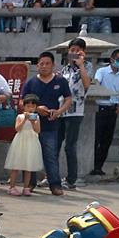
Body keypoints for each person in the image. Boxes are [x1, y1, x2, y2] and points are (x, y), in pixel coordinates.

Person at [20, 51, 71, 196]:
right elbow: (21, 101)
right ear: (37, 65)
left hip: (50, 125)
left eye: (47, 63)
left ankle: (55, 184)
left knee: (50, 155)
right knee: (30, 155)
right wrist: (37, 109)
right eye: (41, 64)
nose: (44, 66)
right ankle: (29, 184)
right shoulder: (31, 82)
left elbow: (68, 99)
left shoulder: (60, 81)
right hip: (31, 125)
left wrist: (59, 111)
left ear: (53, 65)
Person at [58, 38, 93, 189]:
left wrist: (81, 65)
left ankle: (71, 179)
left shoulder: (87, 66)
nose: (73, 53)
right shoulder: (65, 69)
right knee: (55, 144)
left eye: (77, 50)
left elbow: (86, 84)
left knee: (70, 146)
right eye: (71, 50)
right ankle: (52, 176)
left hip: (75, 112)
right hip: (60, 111)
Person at [91, 49, 119, 176]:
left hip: (113, 109)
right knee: (95, 138)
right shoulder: (102, 71)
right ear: (112, 59)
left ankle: (99, 166)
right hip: (100, 108)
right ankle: (91, 164)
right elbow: (97, 83)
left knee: (106, 140)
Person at [5, 94, 44, 196]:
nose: (30, 108)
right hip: (20, 141)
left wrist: (32, 122)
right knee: (15, 166)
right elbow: (17, 128)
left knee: (28, 166)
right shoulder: (20, 116)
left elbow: (38, 130)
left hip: (31, 141)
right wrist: (24, 120)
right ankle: (12, 187)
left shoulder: (37, 117)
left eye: (33, 106)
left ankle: (26, 187)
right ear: (24, 106)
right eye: (28, 106)